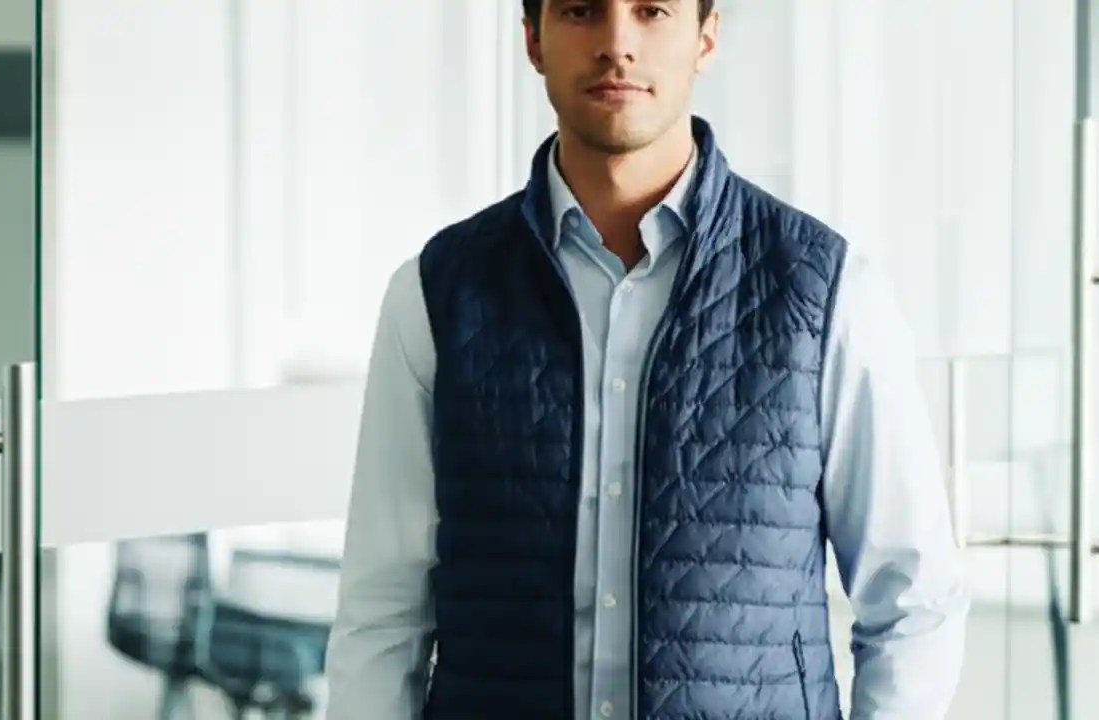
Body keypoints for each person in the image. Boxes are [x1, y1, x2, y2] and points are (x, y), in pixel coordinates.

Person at [326, 1, 968, 717]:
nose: (617, 43)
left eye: (652, 10)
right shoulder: (435, 294)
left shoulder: (829, 294)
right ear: (533, 40)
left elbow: (913, 603)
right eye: (582, 11)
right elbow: (382, 617)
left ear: (706, 37)